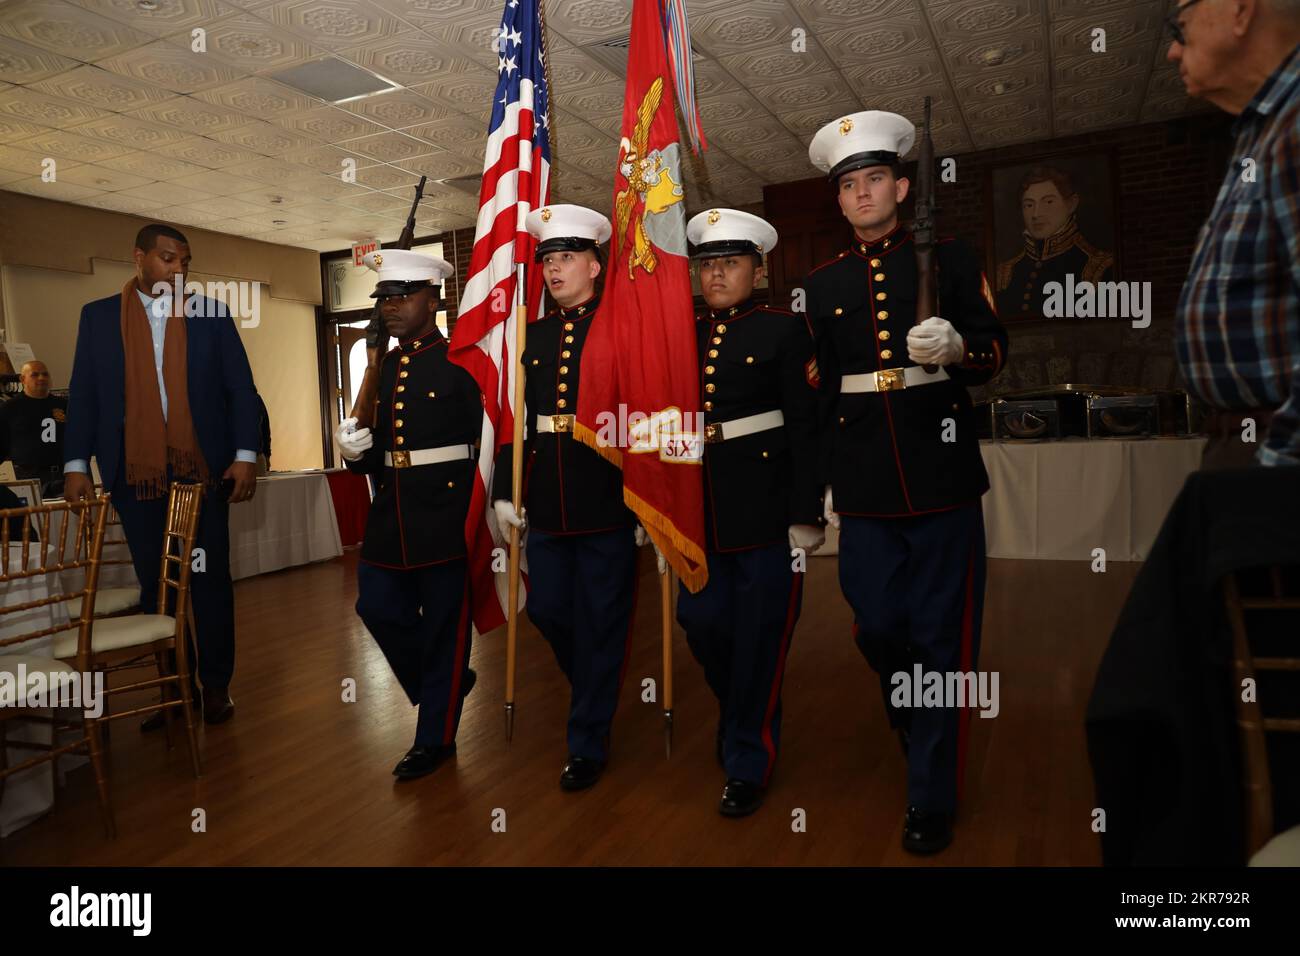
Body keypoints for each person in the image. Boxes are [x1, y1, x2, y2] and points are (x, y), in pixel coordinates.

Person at [805, 110, 1009, 854]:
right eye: (849, 186)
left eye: (874, 181)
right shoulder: (822, 283)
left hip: (942, 476)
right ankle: (907, 700)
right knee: (878, 623)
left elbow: (995, 351)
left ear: (900, 185)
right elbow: (820, 388)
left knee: (943, 644)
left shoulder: (951, 257)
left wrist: (958, 347)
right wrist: (819, 484)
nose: (862, 195)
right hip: (863, 485)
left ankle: (931, 793)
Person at [63, 223, 259, 728]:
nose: (179, 270)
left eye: (185, 261)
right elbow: (83, 395)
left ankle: (215, 687)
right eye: (169, 259)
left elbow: (242, 391)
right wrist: (76, 464)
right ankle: (176, 689)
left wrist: (245, 454)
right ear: (140, 258)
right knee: (156, 585)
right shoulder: (100, 318)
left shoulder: (210, 315)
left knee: (208, 578)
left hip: (201, 472)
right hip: (136, 475)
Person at [675, 208, 823, 818]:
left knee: (762, 639)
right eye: (707, 265)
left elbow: (809, 427)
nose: (715, 275)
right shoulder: (680, 332)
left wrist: (807, 511)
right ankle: (741, 713)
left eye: (729, 263)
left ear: (757, 271)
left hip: (767, 512)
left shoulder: (785, 330)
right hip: (699, 512)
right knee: (702, 624)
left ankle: (747, 761)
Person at [491, 204, 640, 792]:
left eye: (567, 258)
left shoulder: (623, 326)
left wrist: (649, 498)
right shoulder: (535, 332)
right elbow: (516, 419)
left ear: (596, 265)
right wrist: (505, 488)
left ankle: (587, 739)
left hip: (607, 498)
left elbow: (647, 412)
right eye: (549, 259)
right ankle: (595, 689)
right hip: (546, 500)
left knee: (604, 621)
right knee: (550, 611)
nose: (555, 270)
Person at [334, 248, 482, 780]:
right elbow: (379, 453)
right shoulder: (387, 365)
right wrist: (356, 453)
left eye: (402, 297)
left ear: (433, 299)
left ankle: (434, 740)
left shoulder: (465, 359)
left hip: (446, 513)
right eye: (384, 299)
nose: (390, 307)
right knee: (376, 606)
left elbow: (485, 443)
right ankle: (440, 680)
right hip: (391, 514)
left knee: (445, 629)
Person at [1166, 0, 1300, 468]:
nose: (1171, 52)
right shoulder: (1261, 131)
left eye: (1179, 28)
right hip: (1241, 439)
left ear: (1238, 10)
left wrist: (1277, 472)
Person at [994, 165, 1115, 319]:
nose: (1036, 214)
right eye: (1029, 205)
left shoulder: (1099, 268)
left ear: (1071, 204)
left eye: (1048, 202)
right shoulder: (1004, 273)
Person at [0, 360, 68, 497]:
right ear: (22, 379)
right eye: (35, 375)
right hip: (27, 477)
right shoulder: (10, 408)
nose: (41, 378)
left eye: (45, 374)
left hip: (62, 476)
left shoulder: (64, 405)